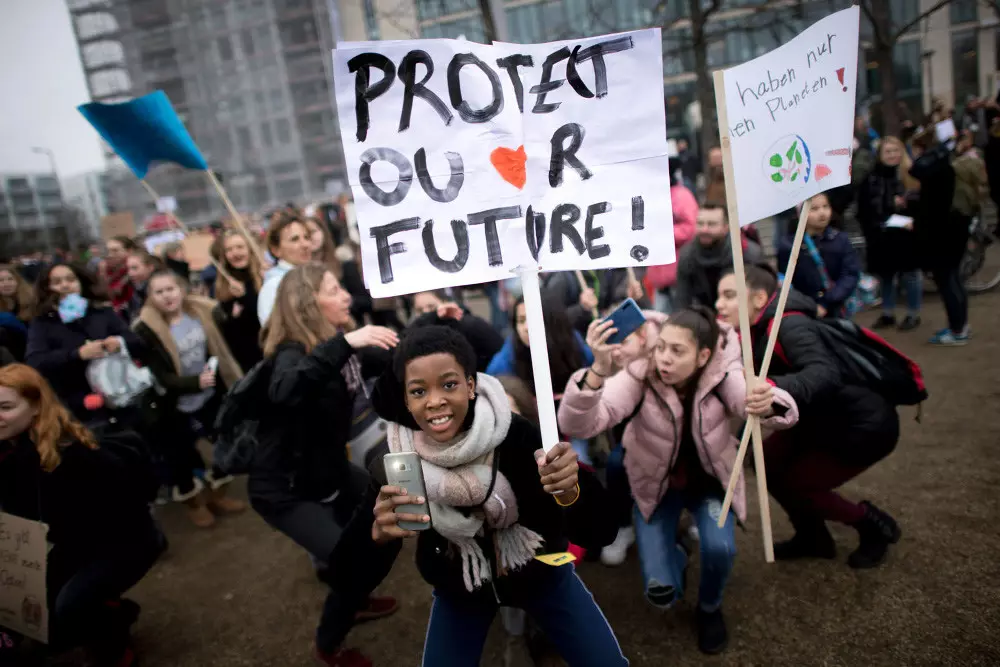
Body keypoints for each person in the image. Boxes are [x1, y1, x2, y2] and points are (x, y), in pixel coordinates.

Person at [364, 325, 625, 667]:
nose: (435, 401)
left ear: (471, 385)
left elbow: (601, 533)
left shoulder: (517, 437)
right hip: (458, 585)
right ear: (405, 399)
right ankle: (516, 637)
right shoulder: (394, 457)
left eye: (449, 384)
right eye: (418, 390)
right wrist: (377, 537)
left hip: (540, 571)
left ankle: (522, 635)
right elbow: (350, 571)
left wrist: (571, 492)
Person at [558, 309, 798, 654]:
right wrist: (597, 371)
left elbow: (754, 402)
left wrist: (768, 400)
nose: (665, 359)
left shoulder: (722, 375)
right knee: (661, 592)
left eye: (678, 351)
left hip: (710, 485)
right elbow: (579, 425)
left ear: (703, 355)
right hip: (654, 487)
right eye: (662, 347)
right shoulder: (639, 375)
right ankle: (681, 553)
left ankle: (710, 608)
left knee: (720, 548)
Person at [248, 263, 401, 667]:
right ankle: (328, 644)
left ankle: (358, 597)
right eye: (334, 290)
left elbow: (383, 367)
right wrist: (346, 342)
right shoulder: (290, 353)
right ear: (308, 302)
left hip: (328, 472)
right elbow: (285, 390)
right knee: (349, 562)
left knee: (384, 517)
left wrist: (432, 324)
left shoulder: (337, 344)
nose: (346, 295)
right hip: (284, 488)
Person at [715, 266, 902, 569]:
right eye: (718, 296)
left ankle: (872, 524)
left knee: (801, 485)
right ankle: (813, 537)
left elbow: (825, 373)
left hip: (861, 426)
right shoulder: (747, 331)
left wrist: (774, 388)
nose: (719, 304)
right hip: (817, 418)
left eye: (729, 296)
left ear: (759, 298)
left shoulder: (790, 326)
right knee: (770, 466)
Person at [0, 364, 162, 666]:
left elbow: (123, 514)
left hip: (121, 542)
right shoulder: (10, 451)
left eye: (6, 407)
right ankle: (109, 610)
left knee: (67, 606)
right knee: (35, 613)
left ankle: (115, 649)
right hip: (70, 542)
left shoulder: (72, 452)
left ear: (35, 406)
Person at [133, 269, 246, 527]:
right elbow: (159, 376)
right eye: (159, 292)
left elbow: (227, 319)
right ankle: (195, 505)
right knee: (181, 459)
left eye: (171, 289)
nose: (167, 296)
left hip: (208, 397)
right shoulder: (146, 330)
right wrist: (194, 382)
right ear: (150, 297)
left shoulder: (201, 312)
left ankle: (218, 497)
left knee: (222, 447)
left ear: (182, 290)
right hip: (171, 407)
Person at [25, 263, 145, 424]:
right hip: (80, 406)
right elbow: (35, 361)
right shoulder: (43, 322)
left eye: (70, 279)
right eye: (57, 282)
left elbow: (136, 342)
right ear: (47, 289)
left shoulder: (101, 312)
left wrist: (119, 342)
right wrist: (77, 354)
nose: (65, 285)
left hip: (119, 394)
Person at [487, 296, 594, 464]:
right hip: (534, 427)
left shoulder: (574, 345)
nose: (527, 328)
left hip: (573, 422)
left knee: (581, 462)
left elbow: (594, 377)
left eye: (534, 318)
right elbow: (490, 385)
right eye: (521, 320)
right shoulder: (508, 358)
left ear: (553, 321)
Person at [857, 136, 923, 330]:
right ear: (880, 155)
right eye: (888, 151)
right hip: (883, 235)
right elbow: (865, 206)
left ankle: (913, 313)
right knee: (886, 275)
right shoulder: (872, 177)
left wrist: (909, 209)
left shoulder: (911, 174)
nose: (892, 155)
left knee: (911, 274)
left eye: (895, 150)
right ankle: (888, 313)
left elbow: (922, 203)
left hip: (907, 234)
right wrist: (887, 207)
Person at [909, 129, 965, 345]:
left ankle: (957, 329)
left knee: (947, 281)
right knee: (954, 279)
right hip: (950, 231)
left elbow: (916, 170)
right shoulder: (944, 164)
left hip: (941, 235)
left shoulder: (935, 165)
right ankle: (960, 326)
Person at [778, 194, 861, 319]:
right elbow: (785, 280)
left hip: (837, 308)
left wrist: (827, 301)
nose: (822, 213)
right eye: (814, 209)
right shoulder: (790, 245)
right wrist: (807, 305)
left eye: (825, 206)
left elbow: (850, 274)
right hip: (804, 311)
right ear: (801, 213)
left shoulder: (840, 239)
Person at [673, 202, 762, 310]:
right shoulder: (687, 255)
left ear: (726, 227)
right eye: (700, 223)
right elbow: (682, 300)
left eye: (712, 224)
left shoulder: (748, 253)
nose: (704, 229)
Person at [409, 290, 504, 373]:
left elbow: (500, 353)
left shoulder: (472, 325)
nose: (427, 314)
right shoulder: (418, 335)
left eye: (432, 307)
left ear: (445, 303)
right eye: (419, 310)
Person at [645, 167, 699, 314]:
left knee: (682, 316)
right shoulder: (651, 197)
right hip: (659, 277)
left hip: (679, 274)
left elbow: (691, 226)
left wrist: (662, 233)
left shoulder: (681, 195)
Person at [211, 230, 265, 371]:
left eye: (240, 247)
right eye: (229, 249)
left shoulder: (263, 276)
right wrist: (232, 318)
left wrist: (244, 297)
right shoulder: (223, 285)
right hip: (251, 360)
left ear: (250, 249)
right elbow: (230, 335)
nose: (235, 253)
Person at [542, 269, 645, 336]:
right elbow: (551, 322)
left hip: (601, 338)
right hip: (577, 347)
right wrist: (581, 308)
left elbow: (607, 309)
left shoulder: (604, 271)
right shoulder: (561, 277)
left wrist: (628, 299)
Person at [258, 214, 314, 325]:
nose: (305, 244)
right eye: (295, 239)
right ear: (276, 250)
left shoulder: (314, 274)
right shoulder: (274, 286)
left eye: (307, 237)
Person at [0, 264, 34, 361]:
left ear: (17, 281)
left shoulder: (32, 301)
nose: (6, 283)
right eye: (1, 280)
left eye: (10, 279)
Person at [99, 236, 137, 316]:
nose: (110, 255)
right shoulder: (107, 271)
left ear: (129, 251)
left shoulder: (136, 272)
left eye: (115, 251)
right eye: (108, 251)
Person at [124, 250, 163, 323]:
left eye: (135, 268)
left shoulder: (160, 288)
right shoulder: (134, 289)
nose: (130, 273)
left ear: (150, 268)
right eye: (128, 269)